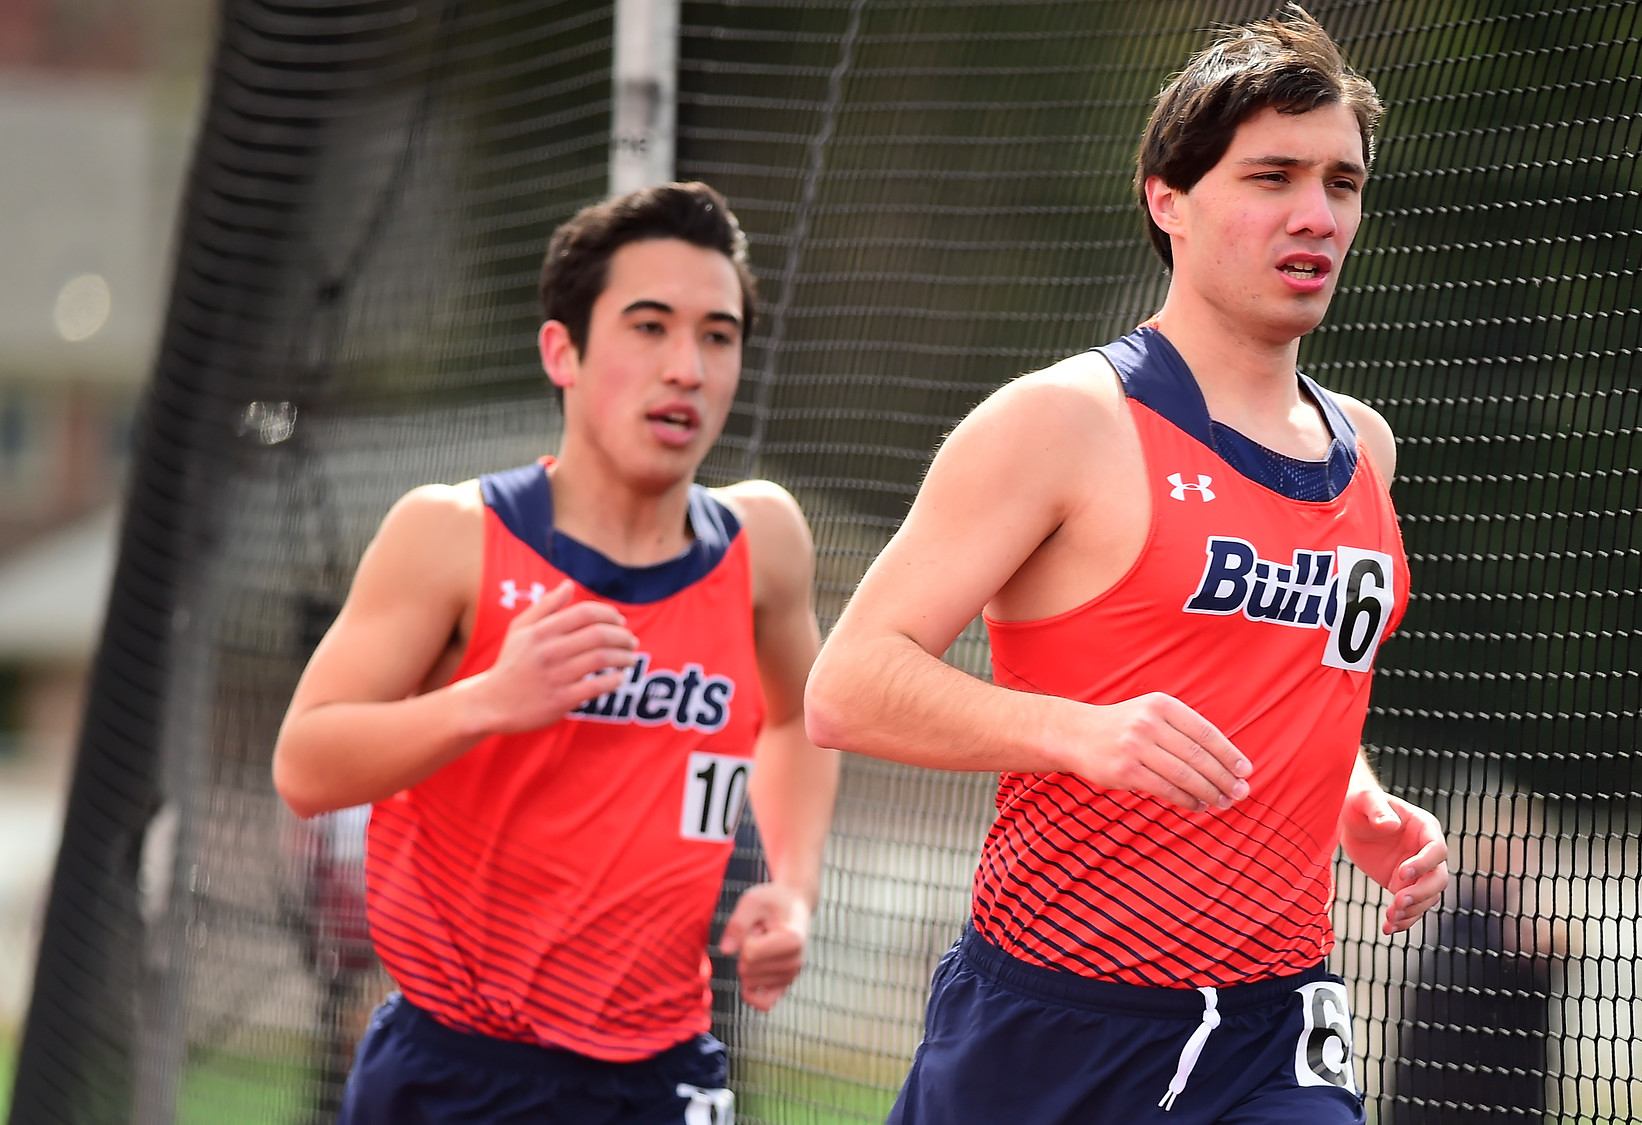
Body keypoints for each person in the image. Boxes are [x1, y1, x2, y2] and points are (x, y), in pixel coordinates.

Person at [804, 8, 1449, 1123]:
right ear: (1168, 200)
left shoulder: (1364, 449)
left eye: (1339, 183)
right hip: (1051, 1022)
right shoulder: (1062, 422)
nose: (1314, 214)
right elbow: (846, 686)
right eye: (1271, 177)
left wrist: (1358, 797)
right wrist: (1076, 730)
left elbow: (1280, 674)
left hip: (1272, 1026)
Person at [271, 182, 839, 1124]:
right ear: (562, 352)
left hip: (662, 1072)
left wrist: (793, 886)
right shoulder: (452, 534)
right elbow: (305, 763)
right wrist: (486, 699)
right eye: (649, 328)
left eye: (717, 335)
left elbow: (797, 717)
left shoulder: (763, 543)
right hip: (457, 1070)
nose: (687, 368)